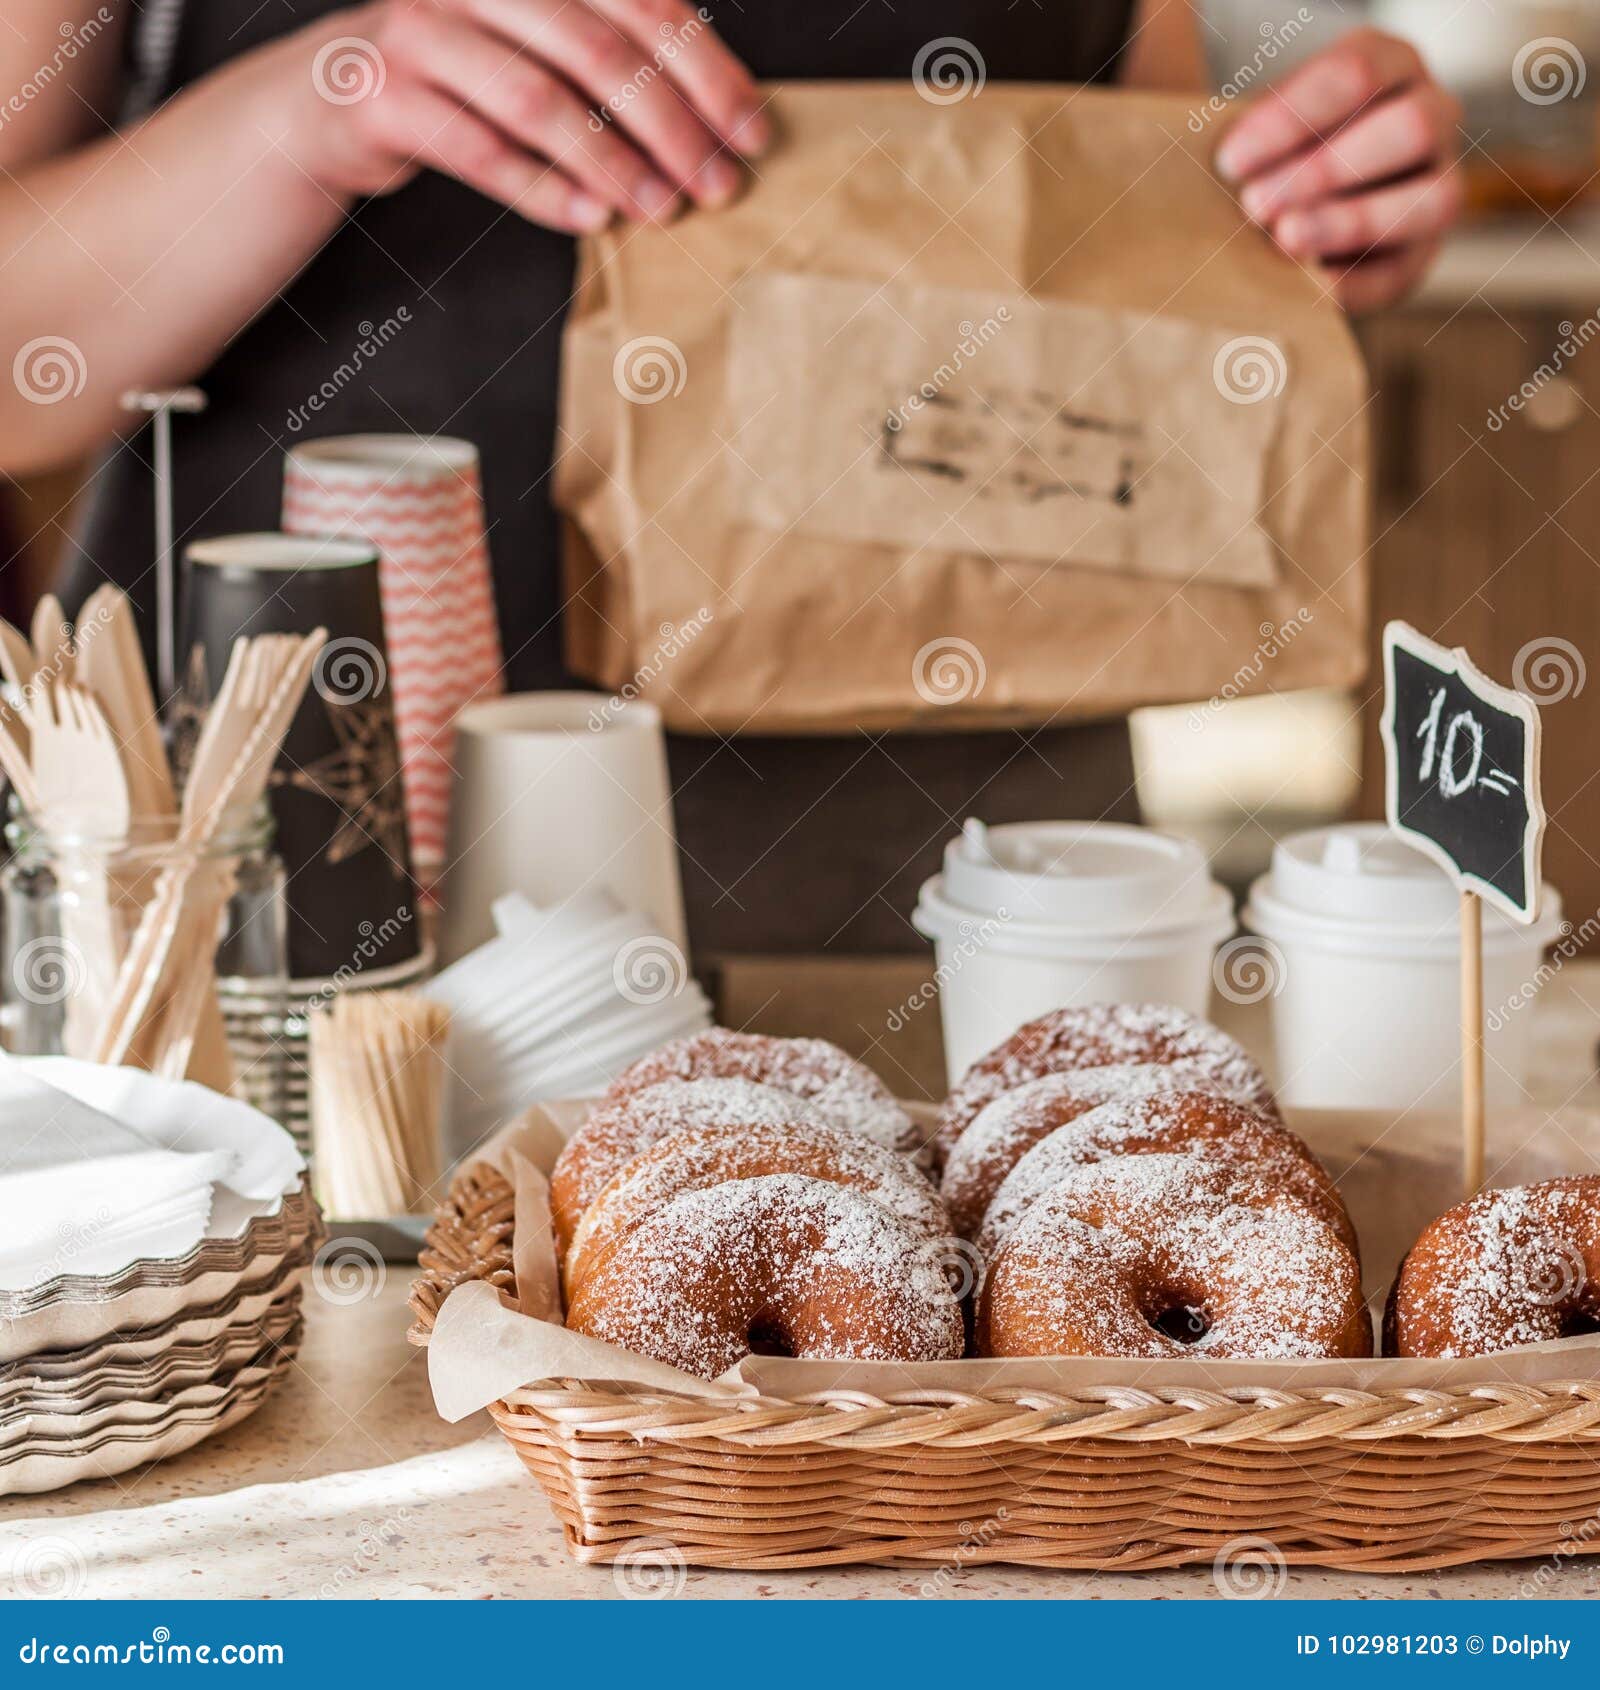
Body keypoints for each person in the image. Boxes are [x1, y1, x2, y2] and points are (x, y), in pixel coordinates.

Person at [0, 1, 1462, 955]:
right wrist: (310, 111)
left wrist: (1304, 208)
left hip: (946, 903)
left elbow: (1139, 229)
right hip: (271, 902)